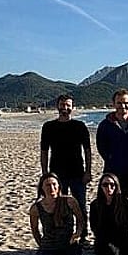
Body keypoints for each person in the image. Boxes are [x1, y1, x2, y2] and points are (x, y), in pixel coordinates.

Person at [95, 89, 128, 233]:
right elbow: (101, 147)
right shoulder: (105, 125)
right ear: (114, 104)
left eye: (125, 103)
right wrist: (112, 158)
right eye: (119, 103)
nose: (122, 106)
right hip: (113, 171)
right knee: (117, 204)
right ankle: (121, 234)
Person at [40, 95, 93, 227]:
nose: (65, 108)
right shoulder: (48, 127)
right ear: (57, 106)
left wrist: (88, 171)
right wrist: (45, 173)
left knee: (80, 204)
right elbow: (44, 151)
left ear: (72, 107)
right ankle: (63, 233)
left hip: (77, 173)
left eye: (68, 105)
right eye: (63, 105)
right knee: (59, 205)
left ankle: (82, 234)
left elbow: (87, 150)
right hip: (57, 174)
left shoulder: (80, 126)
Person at [29, 172, 84, 255]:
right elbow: (34, 230)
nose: (51, 188)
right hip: (49, 246)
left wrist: (77, 233)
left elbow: (80, 220)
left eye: (54, 184)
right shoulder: (36, 208)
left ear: (59, 186)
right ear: (42, 188)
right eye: (48, 185)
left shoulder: (69, 201)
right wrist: (41, 244)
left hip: (68, 244)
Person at [89, 173, 128, 255]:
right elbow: (94, 227)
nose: (109, 188)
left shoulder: (124, 203)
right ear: (100, 187)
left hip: (121, 239)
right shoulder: (95, 205)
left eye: (112, 185)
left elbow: (125, 227)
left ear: (116, 186)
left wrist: (117, 247)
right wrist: (110, 245)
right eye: (105, 185)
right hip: (104, 241)